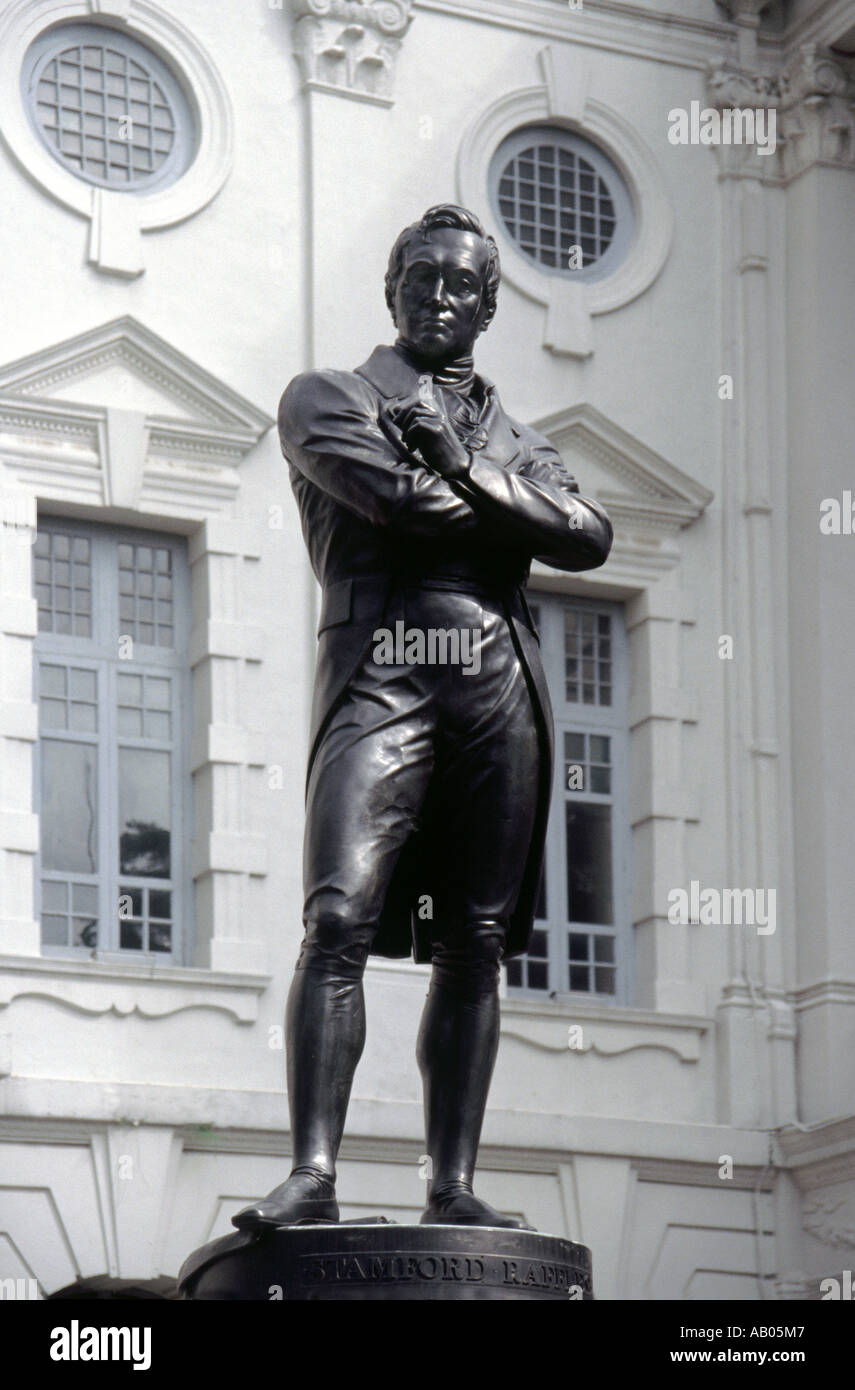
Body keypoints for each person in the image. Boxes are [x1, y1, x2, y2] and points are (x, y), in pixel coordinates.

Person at [233, 205, 613, 1232]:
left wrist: (462, 463)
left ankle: (451, 1183)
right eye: (422, 278)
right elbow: (394, 503)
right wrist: (500, 505)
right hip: (385, 666)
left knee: (477, 940)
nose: (439, 296)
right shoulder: (328, 396)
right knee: (337, 916)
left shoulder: (517, 437)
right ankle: (313, 1170)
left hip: (499, 680)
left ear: (489, 304)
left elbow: (592, 537)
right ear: (392, 287)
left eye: (460, 284)